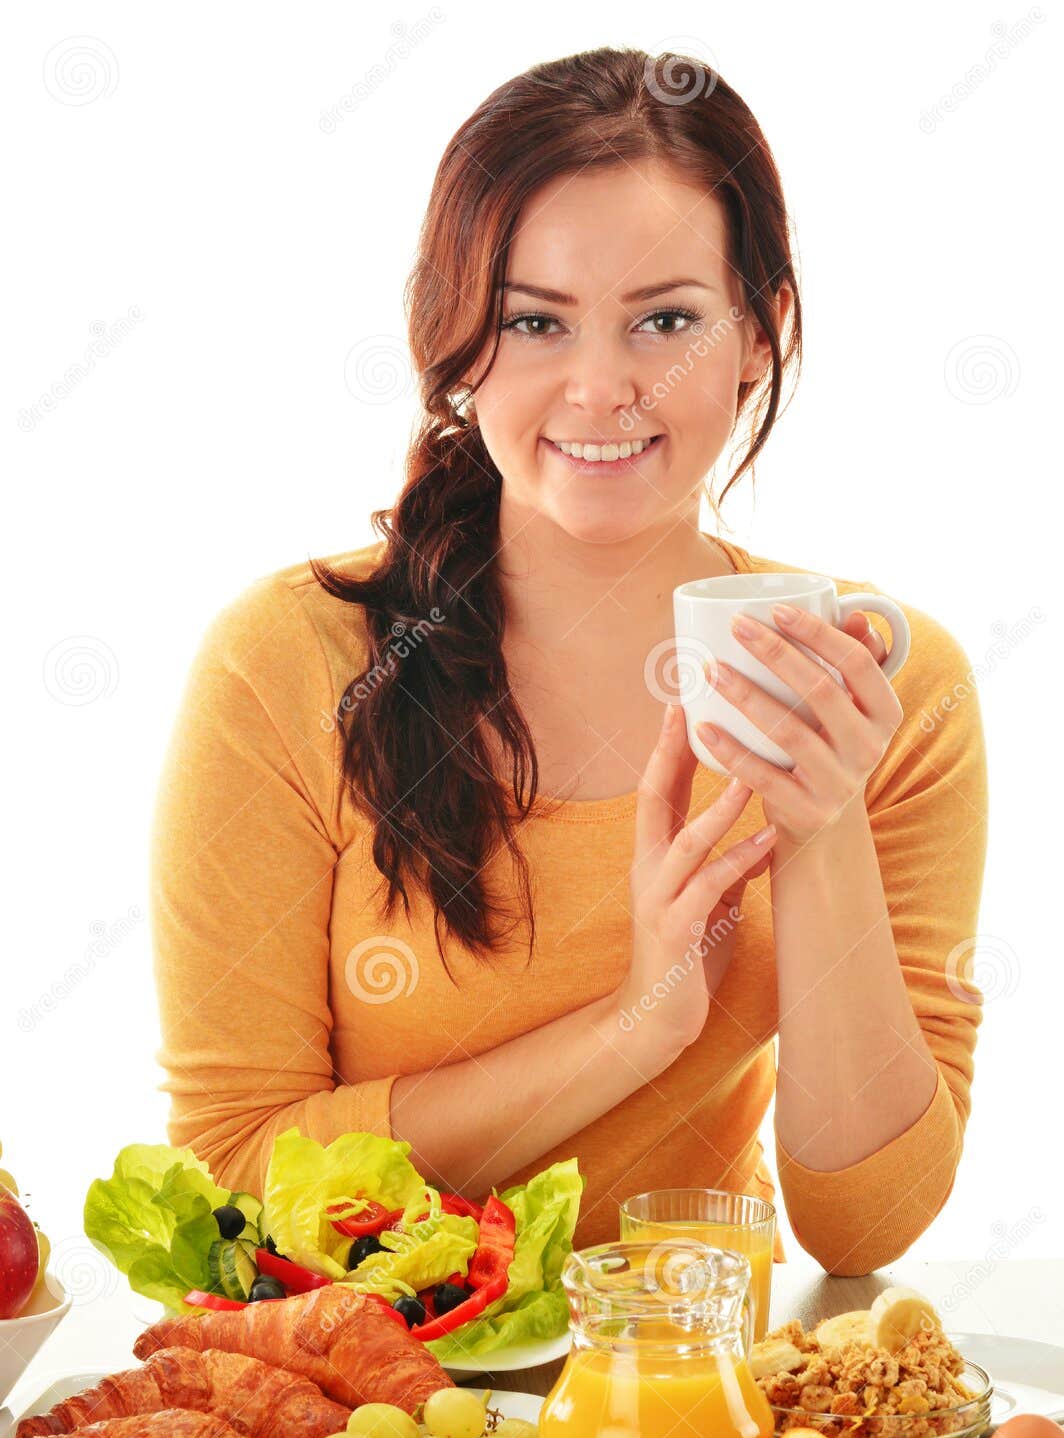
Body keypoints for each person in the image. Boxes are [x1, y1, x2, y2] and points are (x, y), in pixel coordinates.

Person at [150, 47, 987, 1274]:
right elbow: (234, 1176)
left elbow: (862, 1230)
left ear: (758, 335)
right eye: (534, 321)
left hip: (689, 1412)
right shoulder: (284, 665)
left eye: (666, 320)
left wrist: (817, 825)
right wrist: (633, 1028)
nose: (600, 388)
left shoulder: (886, 687)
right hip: (367, 1431)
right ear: (459, 343)